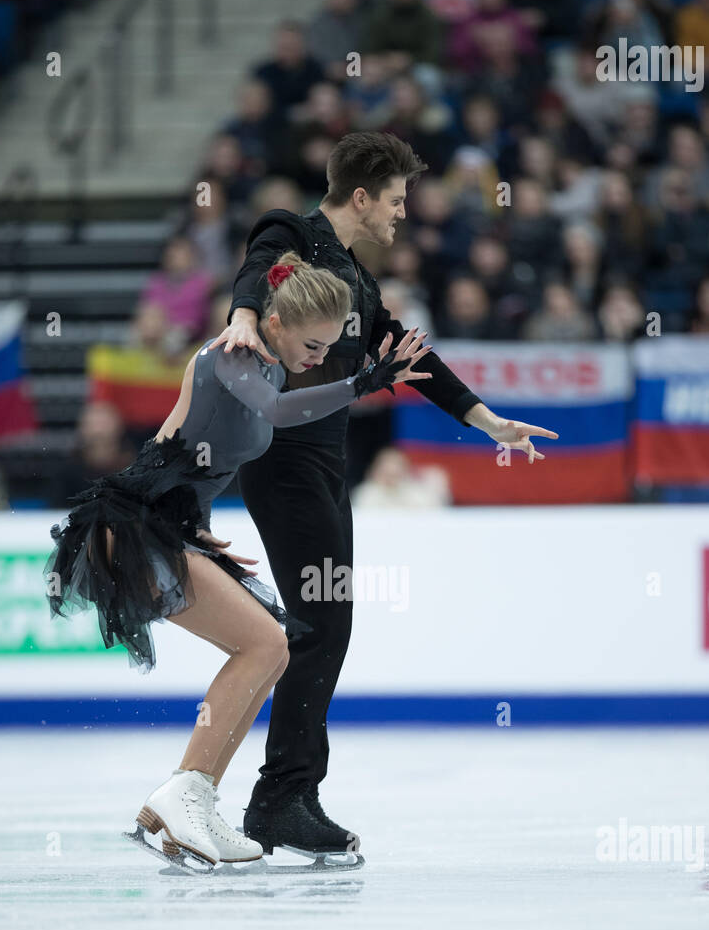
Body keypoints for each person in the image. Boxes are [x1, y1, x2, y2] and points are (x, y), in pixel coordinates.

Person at [209, 131, 557, 860]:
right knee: (319, 623)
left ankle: (291, 793)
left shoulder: (360, 288)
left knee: (326, 623)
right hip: (282, 460)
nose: (403, 214)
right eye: (396, 200)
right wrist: (244, 315)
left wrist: (488, 421)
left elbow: (410, 356)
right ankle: (280, 798)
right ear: (361, 196)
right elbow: (257, 267)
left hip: (324, 468)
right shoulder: (295, 231)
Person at [44, 253, 433, 871]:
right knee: (260, 644)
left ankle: (191, 799)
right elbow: (271, 416)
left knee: (274, 648)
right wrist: (365, 382)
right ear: (273, 322)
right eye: (312, 344)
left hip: (165, 525)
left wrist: (196, 529)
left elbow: (194, 452)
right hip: (132, 524)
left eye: (329, 348)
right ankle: (184, 793)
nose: (317, 358)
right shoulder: (231, 354)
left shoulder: (272, 369)